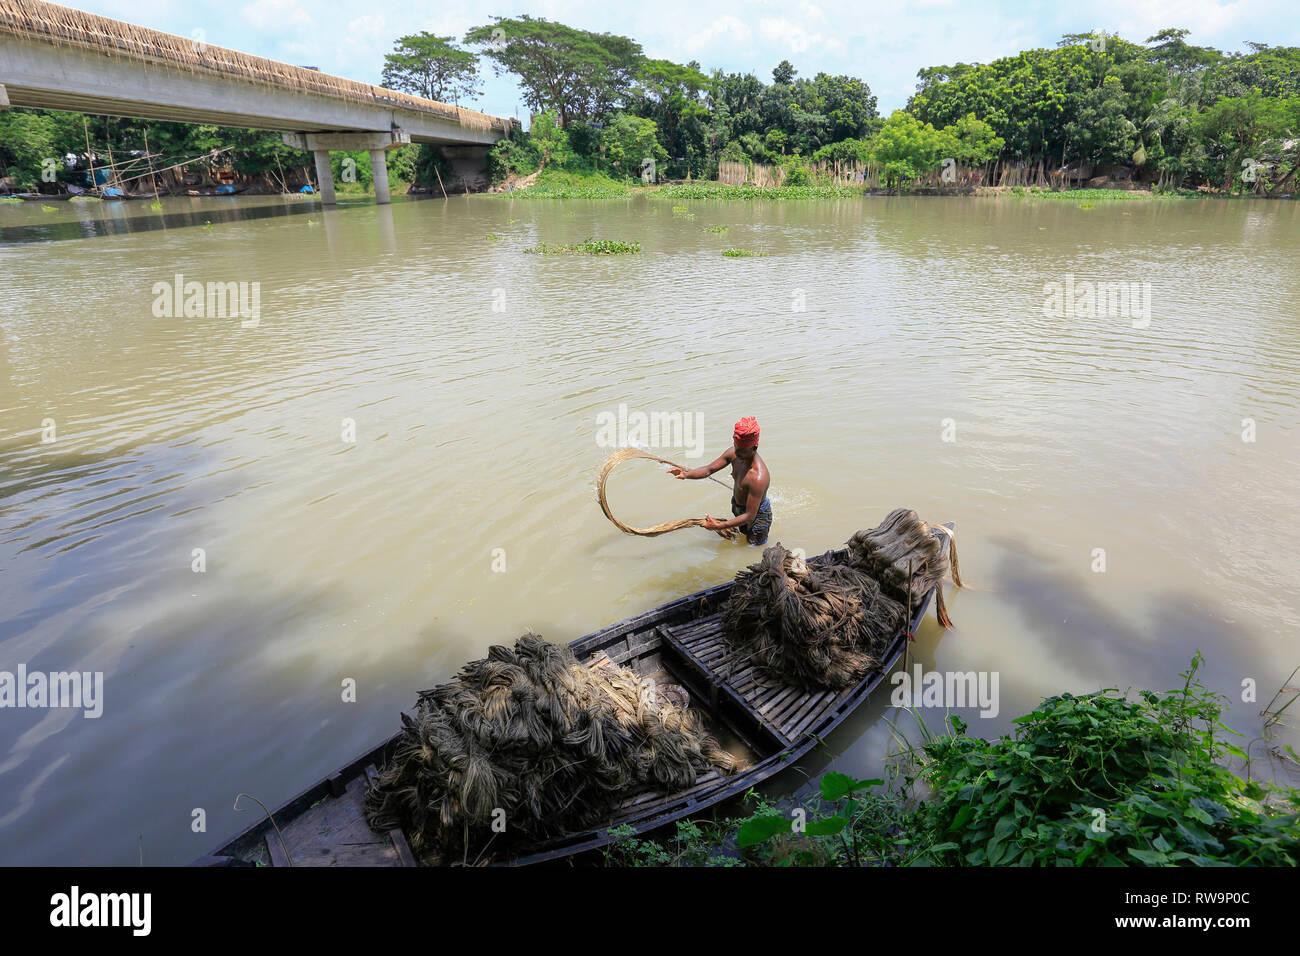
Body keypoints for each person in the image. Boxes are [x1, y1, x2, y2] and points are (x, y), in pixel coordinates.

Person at [668, 416, 773, 545]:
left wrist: (719, 526)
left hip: (757, 516)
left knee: (753, 546)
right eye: (736, 447)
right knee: (743, 537)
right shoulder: (734, 453)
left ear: (754, 448)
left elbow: (750, 516)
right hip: (739, 508)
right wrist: (686, 474)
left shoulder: (758, 477)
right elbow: (708, 469)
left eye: (741, 451)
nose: (737, 453)